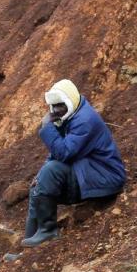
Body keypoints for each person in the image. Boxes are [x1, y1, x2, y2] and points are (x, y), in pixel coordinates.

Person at [22, 79, 126, 247]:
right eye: (53, 106)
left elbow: (64, 153)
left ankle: (48, 231)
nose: (56, 111)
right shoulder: (71, 116)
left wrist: (47, 127)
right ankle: (29, 241)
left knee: (52, 170)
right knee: (38, 183)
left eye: (60, 106)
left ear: (70, 102)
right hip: (87, 171)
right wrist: (40, 176)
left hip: (106, 176)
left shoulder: (84, 120)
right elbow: (59, 152)